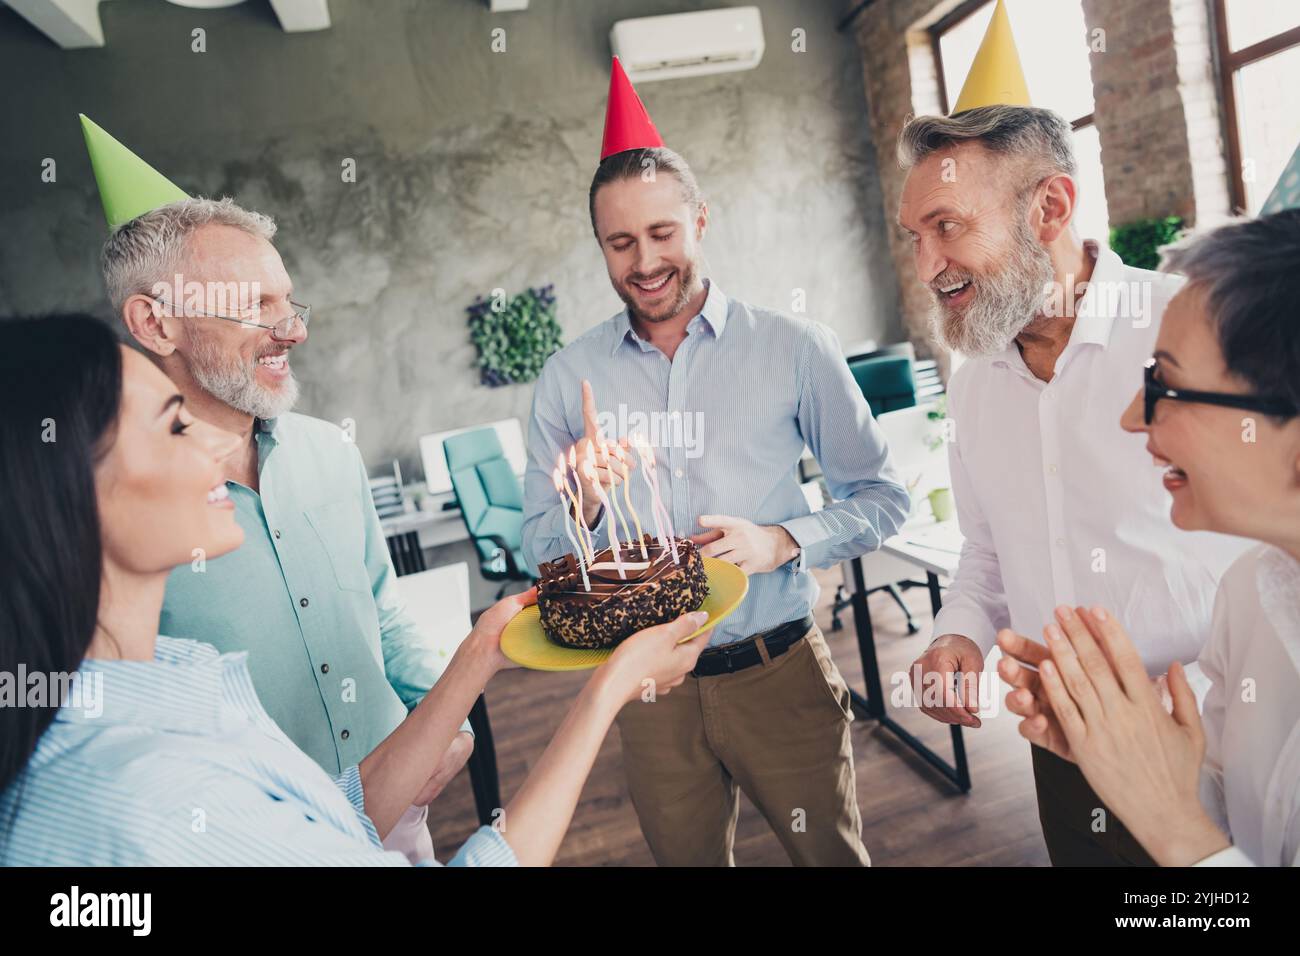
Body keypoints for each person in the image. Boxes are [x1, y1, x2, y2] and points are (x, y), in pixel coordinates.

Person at [0, 313, 710, 866]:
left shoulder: (180, 686)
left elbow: (331, 821)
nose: (207, 445)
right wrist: (605, 693)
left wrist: (481, 651)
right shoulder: (147, 802)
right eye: (174, 424)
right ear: (65, 493)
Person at [521, 60, 909, 867]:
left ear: (700, 220)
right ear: (599, 246)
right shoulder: (568, 378)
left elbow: (881, 497)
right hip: (647, 687)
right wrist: (586, 510)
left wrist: (784, 539)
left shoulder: (794, 349)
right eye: (620, 242)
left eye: (662, 233)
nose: (644, 260)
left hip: (779, 671)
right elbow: (541, 550)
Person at [82, 114, 469, 861]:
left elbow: (383, 610)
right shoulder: (112, 514)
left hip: (404, 805)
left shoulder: (330, 452)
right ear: (155, 325)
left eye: (286, 301)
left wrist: (441, 723)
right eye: (254, 307)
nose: (292, 329)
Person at [895, 100, 1247, 863]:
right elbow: (987, 550)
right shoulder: (974, 385)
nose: (927, 266)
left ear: (1050, 207)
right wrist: (959, 630)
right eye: (916, 238)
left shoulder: (1192, 332)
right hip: (1064, 754)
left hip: (1225, 744)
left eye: (948, 226)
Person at [998, 210, 1300, 866]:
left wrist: (1174, 830)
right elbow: (1243, 810)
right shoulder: (1253, 592)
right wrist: (1128, 751)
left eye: (1165, 382)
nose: (1134, 416)